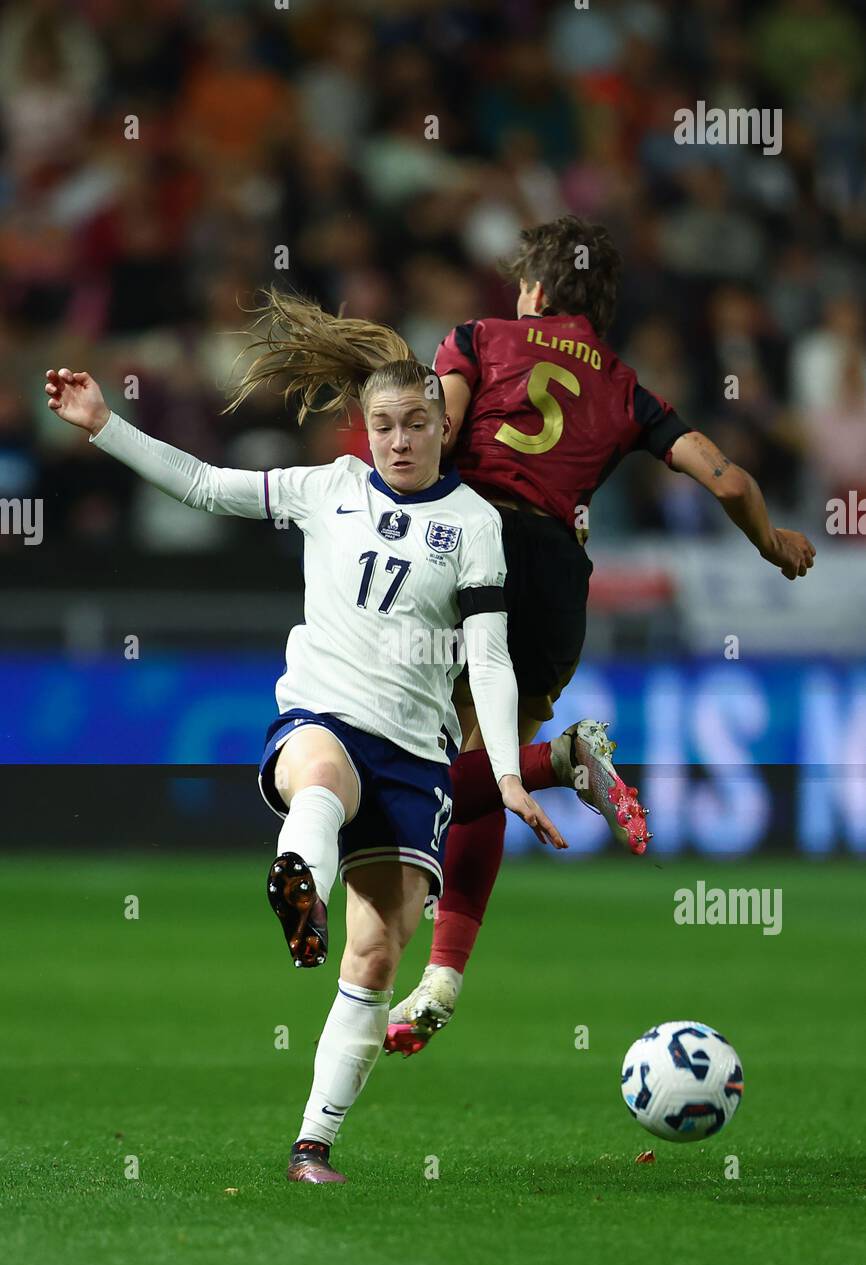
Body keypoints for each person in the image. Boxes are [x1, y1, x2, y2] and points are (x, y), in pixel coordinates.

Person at [43, 293, 567, 1184]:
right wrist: (105, 425)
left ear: (442, 423)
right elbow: (208, 486)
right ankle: (298, 884)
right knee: (319, 776)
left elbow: (488, 659)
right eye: (382, 426)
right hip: (322, 715)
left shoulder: (476, 526)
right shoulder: (327, 489)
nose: (398, 440)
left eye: (414, 423)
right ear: (363, 429)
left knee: (373, 955)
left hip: (416, 758)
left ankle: (312, 1145)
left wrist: (509, 775)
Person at [386, 215, 816, 1057]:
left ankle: (534, 782)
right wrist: (775, 543)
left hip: (470, 548)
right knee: (492, 758)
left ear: (536, 292)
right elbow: (725, 477)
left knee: (397, 756)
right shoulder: (625, 387)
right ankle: (444, 971)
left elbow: (435, 438)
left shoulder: (479, 336)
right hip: (556, 576)